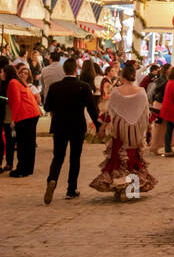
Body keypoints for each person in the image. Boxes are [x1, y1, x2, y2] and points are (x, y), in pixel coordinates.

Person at [90, 61, 156, 200]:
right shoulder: (141, 93)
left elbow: (109, 113)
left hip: (119, 129)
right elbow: (146, 114)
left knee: (119, 156)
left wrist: (101, 129)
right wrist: (147, 129)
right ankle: (130, 189)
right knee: (132, 155)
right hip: (135, 131)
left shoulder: (116, 92)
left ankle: (120, 186)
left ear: (122, 77)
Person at [43, 57, 100, 202]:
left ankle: (52, 179)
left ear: (64, 70)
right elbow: (92, 109)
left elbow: (47, 107)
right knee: (75, 158)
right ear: (76, 69)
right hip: (77, 126)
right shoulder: (84, 86)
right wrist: (99, 126)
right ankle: (71, 189)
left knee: (58, 157)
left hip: (59, 126)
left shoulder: (55, 87)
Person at [5, 64, 41, 177]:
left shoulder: (13, 83)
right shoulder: (21, 83)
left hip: (25, 114)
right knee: (29, 143)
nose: (1, 74)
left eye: (2, 72)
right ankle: (28, 169)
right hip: (32, 113)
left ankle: (21, 170)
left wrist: (13, 119)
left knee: (22, 143)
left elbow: (16, 101)